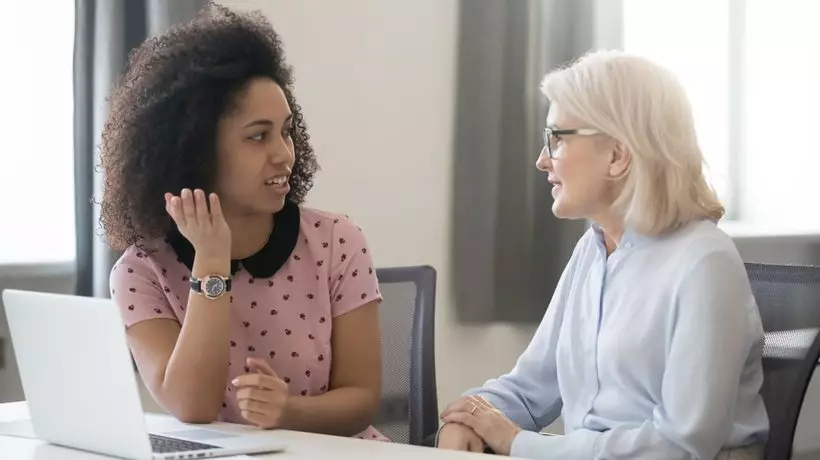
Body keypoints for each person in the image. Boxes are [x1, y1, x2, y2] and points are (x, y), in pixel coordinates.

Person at [435, 50, 769, 459]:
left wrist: (517, 443)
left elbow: (680, 445)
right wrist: (468, 415)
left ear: (616, 155)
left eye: (557, 139)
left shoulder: (705, 262)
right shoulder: (593, 250)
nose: (542, 161)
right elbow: (530, 389)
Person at [100, 4, 387, 441]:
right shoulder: (140, 273)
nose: (284, 154)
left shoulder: (337, 241)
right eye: (258, 136)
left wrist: (289, 411)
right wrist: (212, 261)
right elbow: (192, 406)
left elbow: (362, 399)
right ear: (195, 150)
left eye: (286, 131)